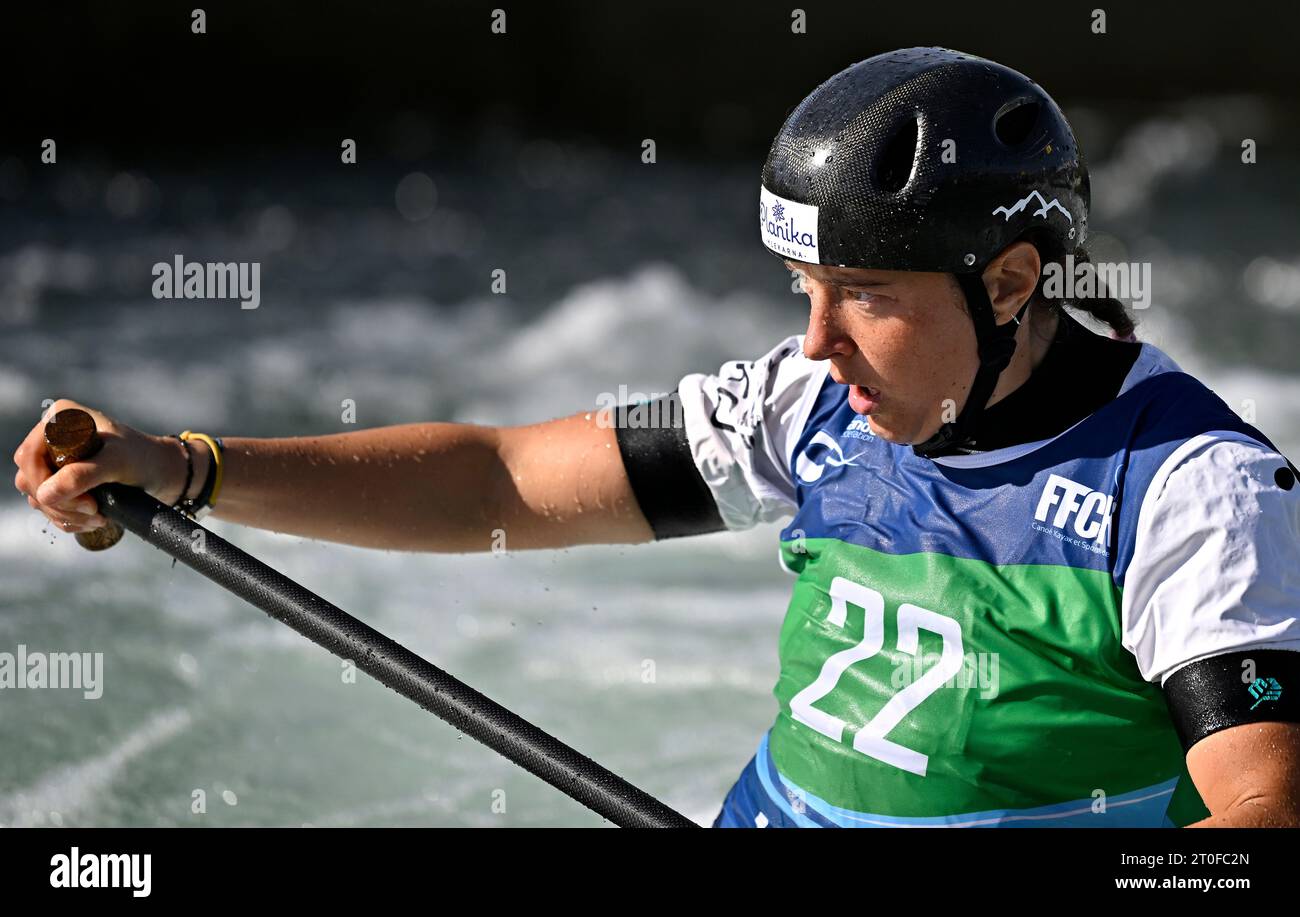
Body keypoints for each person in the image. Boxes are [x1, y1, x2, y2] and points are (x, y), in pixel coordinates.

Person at [12, 47, 1300, 828]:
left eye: (865, 296)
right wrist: (185, 470)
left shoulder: (1194, 494)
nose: (816, 343)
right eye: (804, 290)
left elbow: (1264, 814)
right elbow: (498, 483)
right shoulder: (811, 408)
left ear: (1009, 281)